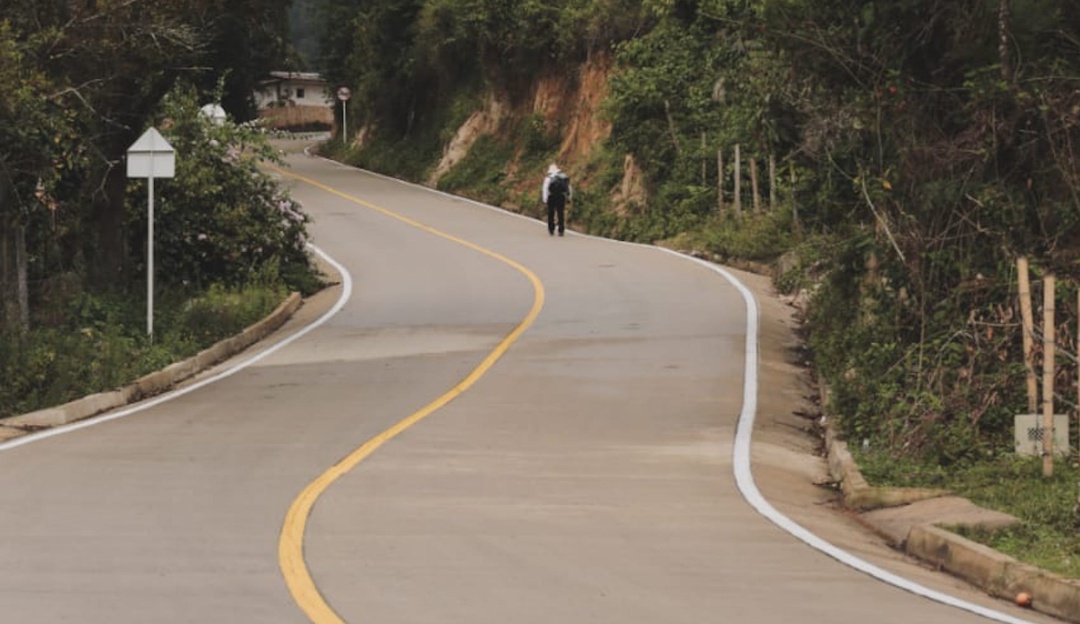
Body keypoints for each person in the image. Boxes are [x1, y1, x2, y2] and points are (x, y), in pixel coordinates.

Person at [542, 163, 572, 236]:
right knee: (560, 213)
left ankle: (551, 229)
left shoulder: (548, 178)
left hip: (551, 196)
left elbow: (545, 189)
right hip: (561, 196)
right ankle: (561, 230)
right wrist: (569, 197)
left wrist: (545, 199)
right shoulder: (563, 177)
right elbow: (569, 188)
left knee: (551, 213)